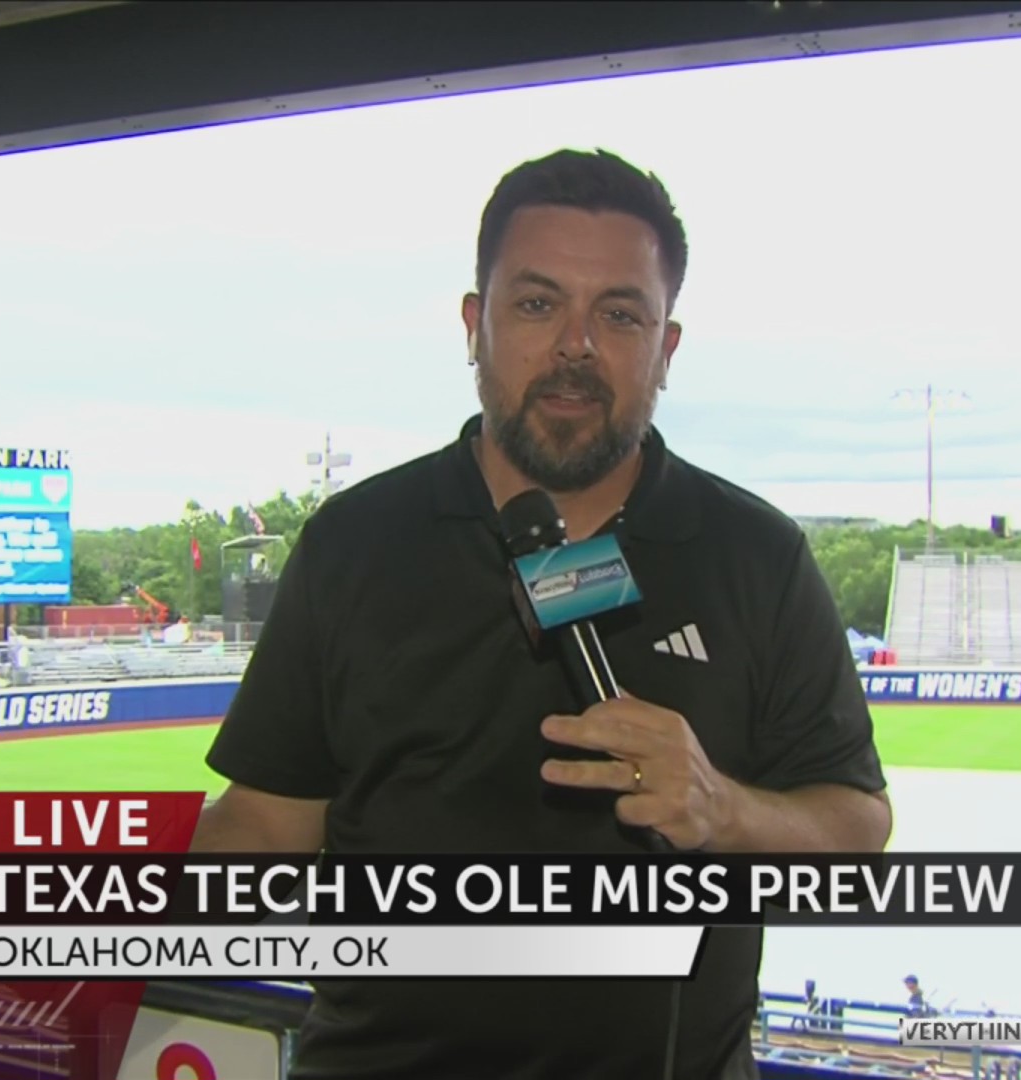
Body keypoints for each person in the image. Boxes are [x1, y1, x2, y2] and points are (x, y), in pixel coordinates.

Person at [198, 148, 892, 1079]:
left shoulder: (757, 555)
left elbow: (855, 828)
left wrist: (722, 807)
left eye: (618, 313)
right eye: (536, 305)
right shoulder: (355, 542)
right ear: (474, 326)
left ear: (666, 347)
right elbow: (266, 825)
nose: (576, 344)